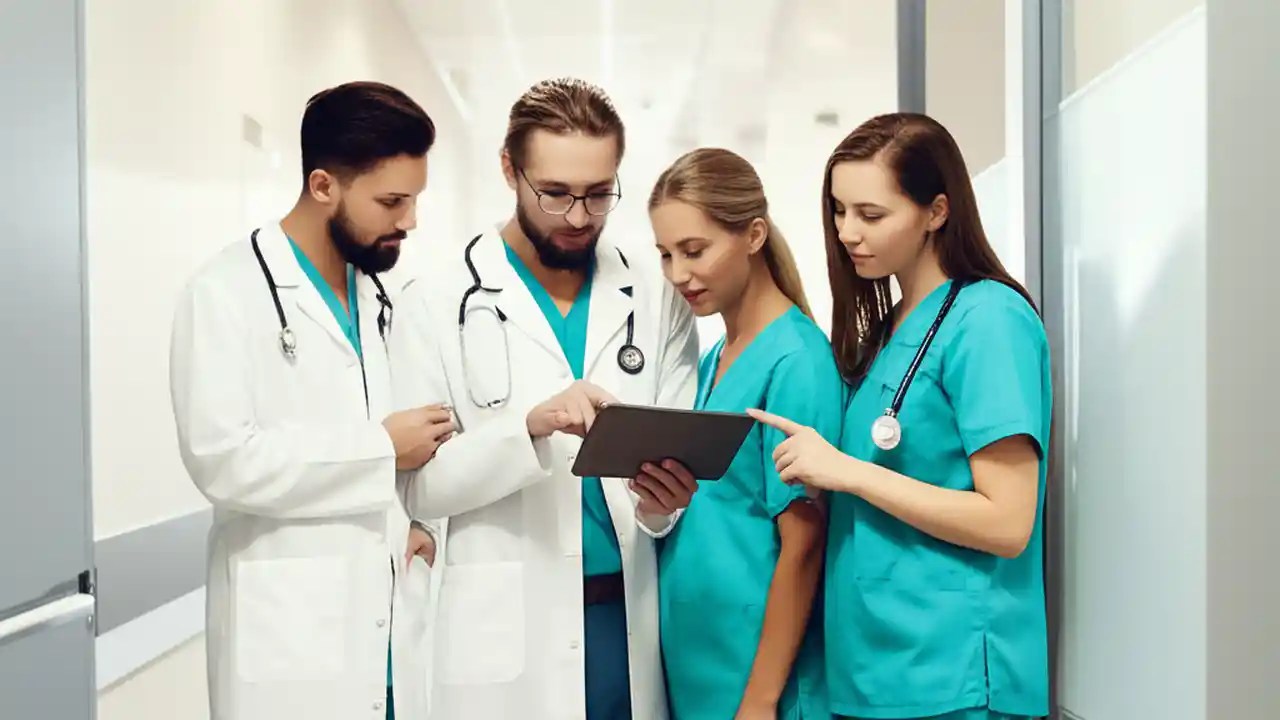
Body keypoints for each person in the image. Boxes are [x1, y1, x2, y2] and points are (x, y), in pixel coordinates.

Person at [388, 77, 701, 720]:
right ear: (510, 170)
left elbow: (675, 462)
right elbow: (421, 490)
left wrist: (661, 507)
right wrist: (526, 429)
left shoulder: (656, 293)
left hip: (624, 619)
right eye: (555, 194)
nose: (579, 217)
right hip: (503, 626)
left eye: (598, 194)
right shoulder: (436, 302)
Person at [748, 112, 1051, 720]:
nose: (846, 233)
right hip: (875, 673)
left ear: (937, 212)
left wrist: (849, 472)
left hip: (954, 673)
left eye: (871, 214)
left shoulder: (987, 319)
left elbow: (1008, 523)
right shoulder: (889, 331)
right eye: (838, 211)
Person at [168, 81, 454, 720]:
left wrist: (421, 527)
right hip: (289, 643)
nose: (409, 220)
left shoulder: (380, 298)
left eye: (414, 199)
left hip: (385, 636)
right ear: (323, 185)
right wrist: (381, 449)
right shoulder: (225, 292)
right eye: (392, 201)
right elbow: (223, 460)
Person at [648, 148, 841, 720]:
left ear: (753, 235)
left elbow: (803, 546)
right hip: (701, 671)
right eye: (665, 254)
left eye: (694, 250)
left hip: (757, 686)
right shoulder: (715, 360)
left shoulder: (797, 362)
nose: (678, 274)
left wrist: (758, 702)